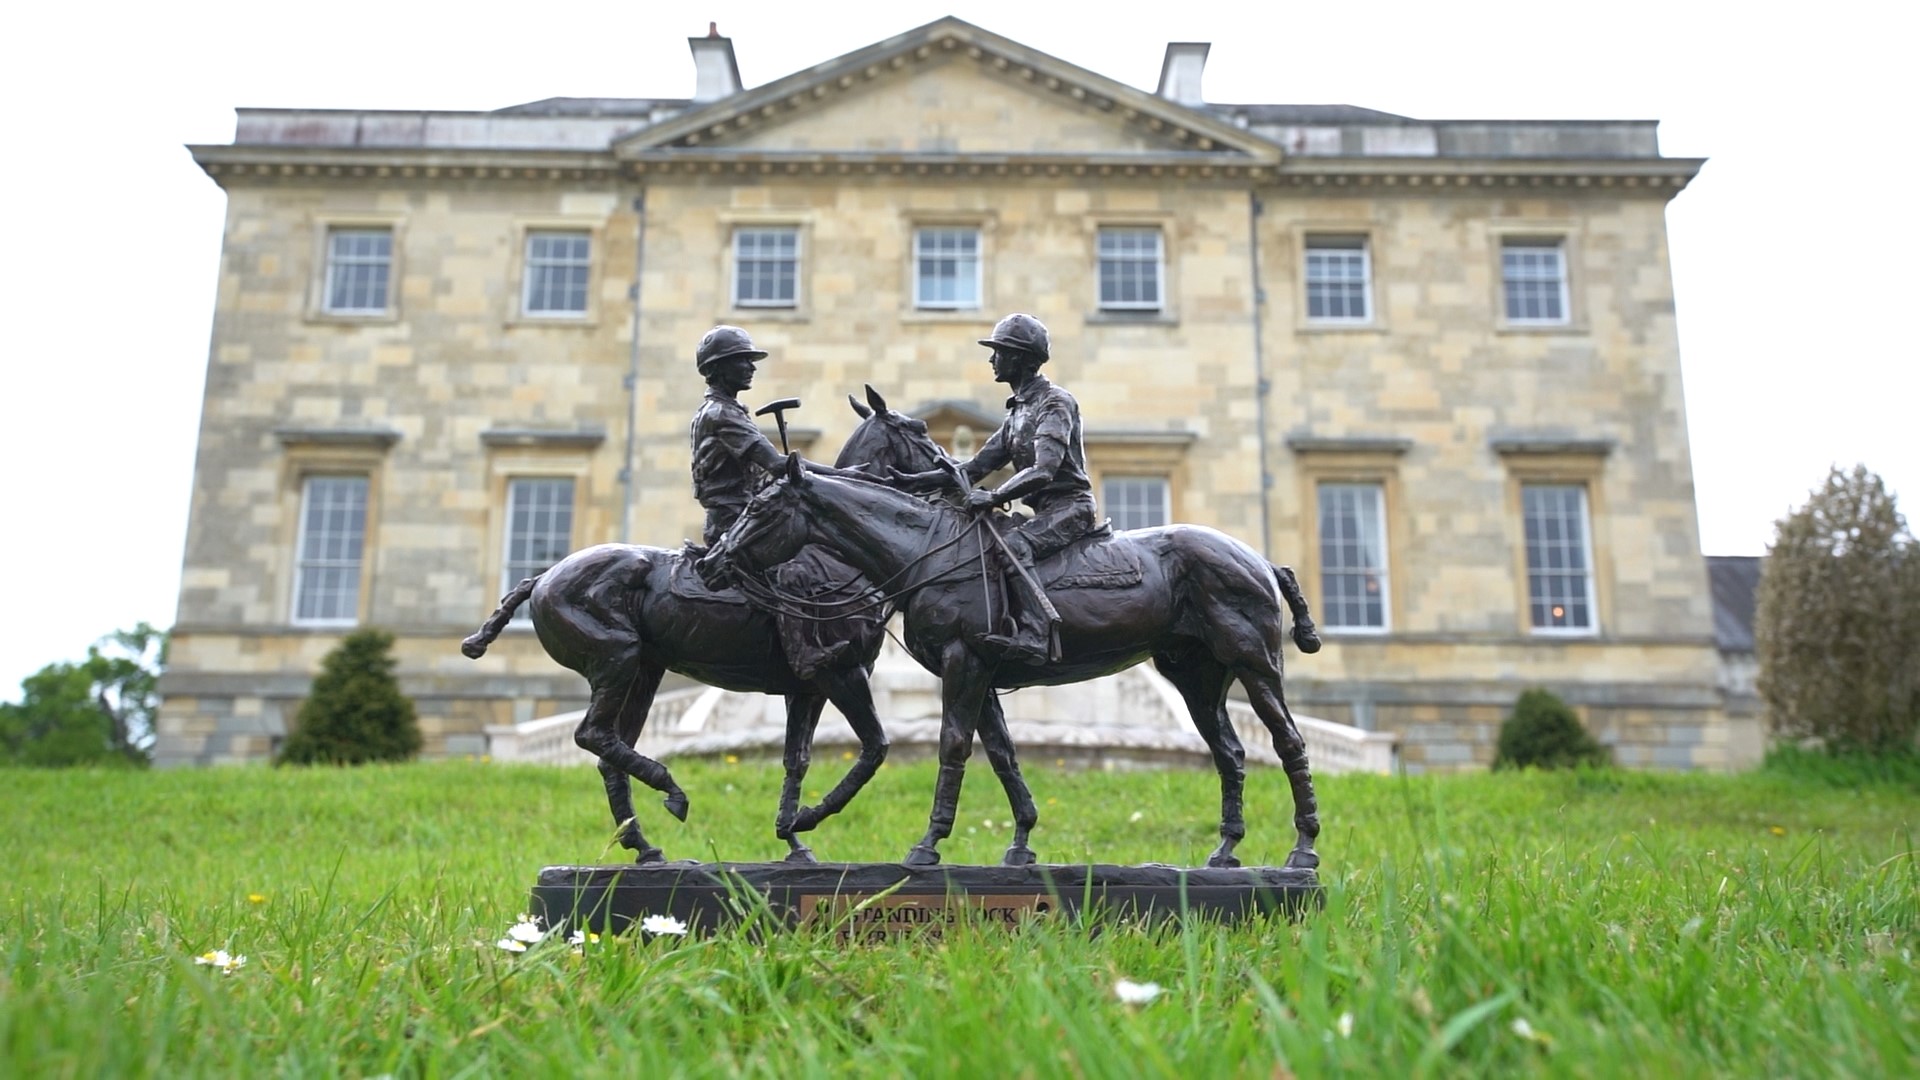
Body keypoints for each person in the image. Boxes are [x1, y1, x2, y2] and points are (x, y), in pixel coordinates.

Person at [901, 313, 1096, 664]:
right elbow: (974, 468)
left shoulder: (1054, 402)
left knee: (1014, 544)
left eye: (999, 352)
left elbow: (1044, 469)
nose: (992, 359)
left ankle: (1037, 633)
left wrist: (994, 496)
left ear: (1020, 358)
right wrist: (909, 483)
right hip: (1045, 510)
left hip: (1071, 507)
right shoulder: (1017, 413)